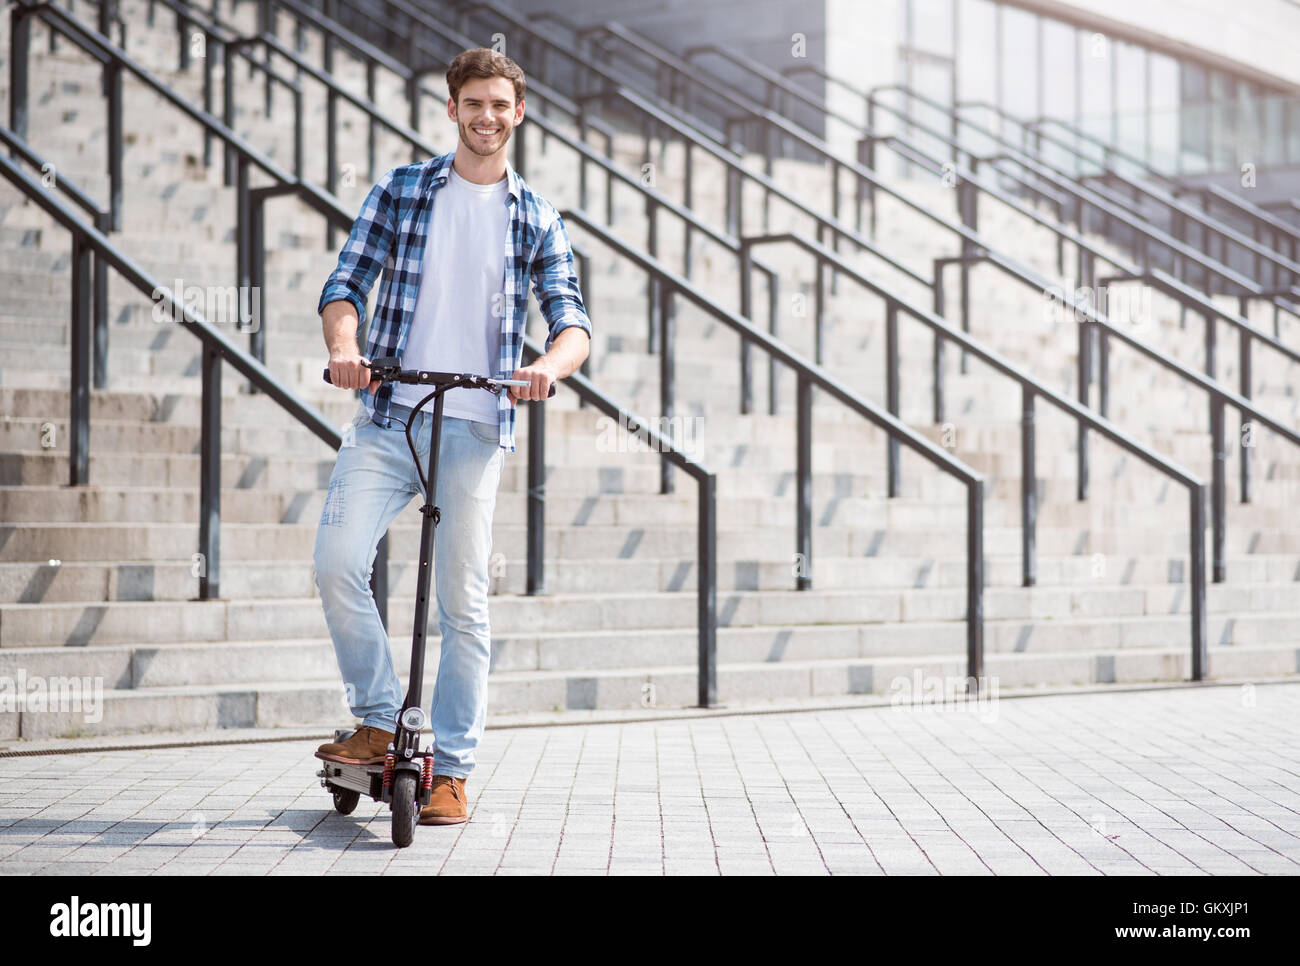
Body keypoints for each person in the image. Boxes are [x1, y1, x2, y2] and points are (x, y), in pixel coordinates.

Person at [312, 47, 592, 826]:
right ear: (453, 110)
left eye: (500, 104)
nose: (487, 117)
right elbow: (345, 283)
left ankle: (454, 771)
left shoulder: (534, 215)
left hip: (474, 424)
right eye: (474, 103)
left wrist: (549, 366)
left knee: (462, 603)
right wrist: (345, 346)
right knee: (336, 561)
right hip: (388, 415)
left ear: (519, 113)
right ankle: (377, 720)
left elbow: (572, 319)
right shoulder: (404, 191)